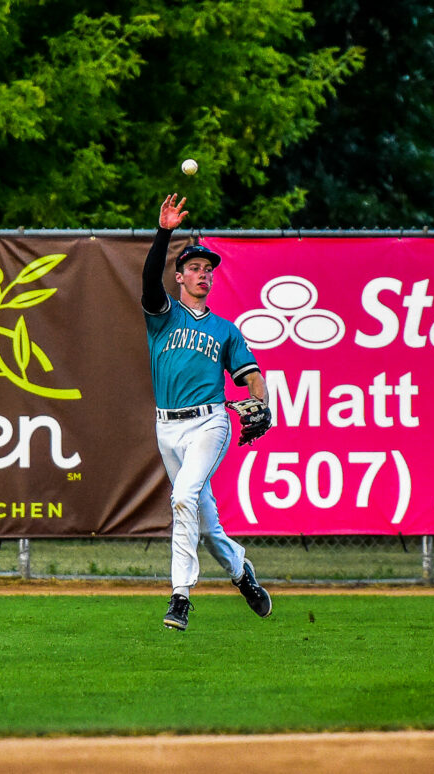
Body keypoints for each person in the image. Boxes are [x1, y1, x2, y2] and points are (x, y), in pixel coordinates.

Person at [141, 193, 273, 631]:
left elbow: (251, 377)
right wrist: (164, 232)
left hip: (209, 423)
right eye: (195, 268)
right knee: (206, 523)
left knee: (182, 498)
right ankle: (241, 574)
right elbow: (147, 283)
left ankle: (180, 598)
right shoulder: (163, 316)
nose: (204, 275)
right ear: (179, 276)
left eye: (209, 270)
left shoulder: (225, 330)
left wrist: (262, 401)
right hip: (167, 429)